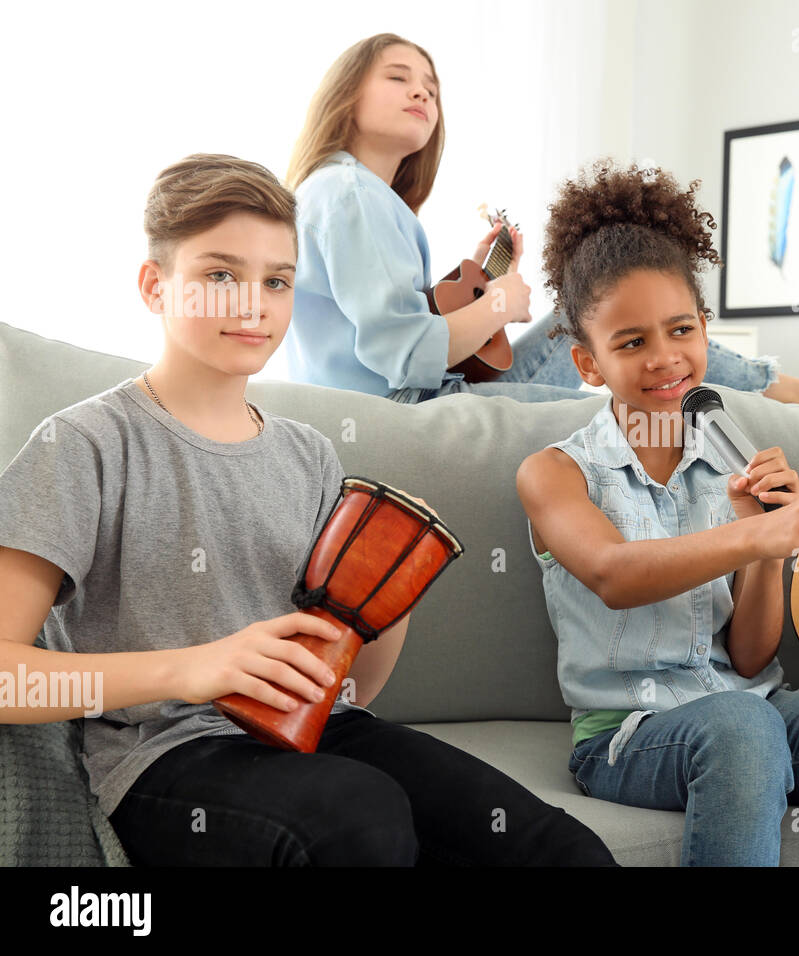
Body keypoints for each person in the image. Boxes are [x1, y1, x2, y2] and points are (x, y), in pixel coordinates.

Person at [0, 153, 615, 866]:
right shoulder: (85, 445)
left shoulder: (309, 455)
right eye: (220, 274)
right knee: (360, 818)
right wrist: (196, 669)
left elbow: (353, 687)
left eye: (278, 281)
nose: (252, 303)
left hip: (319, 731)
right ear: (154, 286)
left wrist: (389, 586)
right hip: (169, 758)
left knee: (556, 846)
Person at [515, 161, 799, 866]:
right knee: (739, 726)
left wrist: (769, 548)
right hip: (630, 734)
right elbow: (615, 574)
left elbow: (750, 658)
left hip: (750, 710)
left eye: (680, 330)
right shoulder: (555, 473)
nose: (665, 359)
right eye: (631, 342)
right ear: (588, 363)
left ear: (705, 332)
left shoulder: (732, 462)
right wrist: (759, 531)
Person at [283, 32, 799, 406]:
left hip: (403, 401)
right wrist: (501, 303)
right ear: (345, 93)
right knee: (607, 344)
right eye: (399, 77)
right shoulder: (353, 194)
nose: (422, 94)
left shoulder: (346, 194)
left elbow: (395, 331)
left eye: (431, 88)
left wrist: (484, 277)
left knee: (600, 334)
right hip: (416, 412)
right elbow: (406, 357)